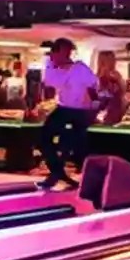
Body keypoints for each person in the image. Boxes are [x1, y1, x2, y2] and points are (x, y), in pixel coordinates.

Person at [38, 38, 98, 190]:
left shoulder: (80, 68)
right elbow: (49, 82)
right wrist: (51, 63)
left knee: (77, 146)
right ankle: (57, 172)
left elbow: (93, 88)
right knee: (44, 138)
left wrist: (95, 108)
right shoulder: (57, 69)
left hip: (78, 111)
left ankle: (61, 174)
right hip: (65, 109)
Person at [94, 50, 126, 125]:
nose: (115, 62)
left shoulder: (114, 76)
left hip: (110, 116)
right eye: (113, 60)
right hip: (108, 116)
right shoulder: (102, 79)